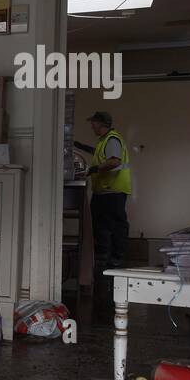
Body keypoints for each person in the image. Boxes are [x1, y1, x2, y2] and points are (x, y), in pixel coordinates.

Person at [76, 110, 132, 272]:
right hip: (104, 192)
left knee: (115, 227)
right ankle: (103, 260)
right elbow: (99, 154)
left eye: (93, 123)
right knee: (101, 226)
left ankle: (116, 260)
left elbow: (113, 161)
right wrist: (79, 145)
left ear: (100, 123)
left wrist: (92, 169)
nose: (92, 126)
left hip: (112, 191)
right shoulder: (104, 141)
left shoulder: (112, 139)